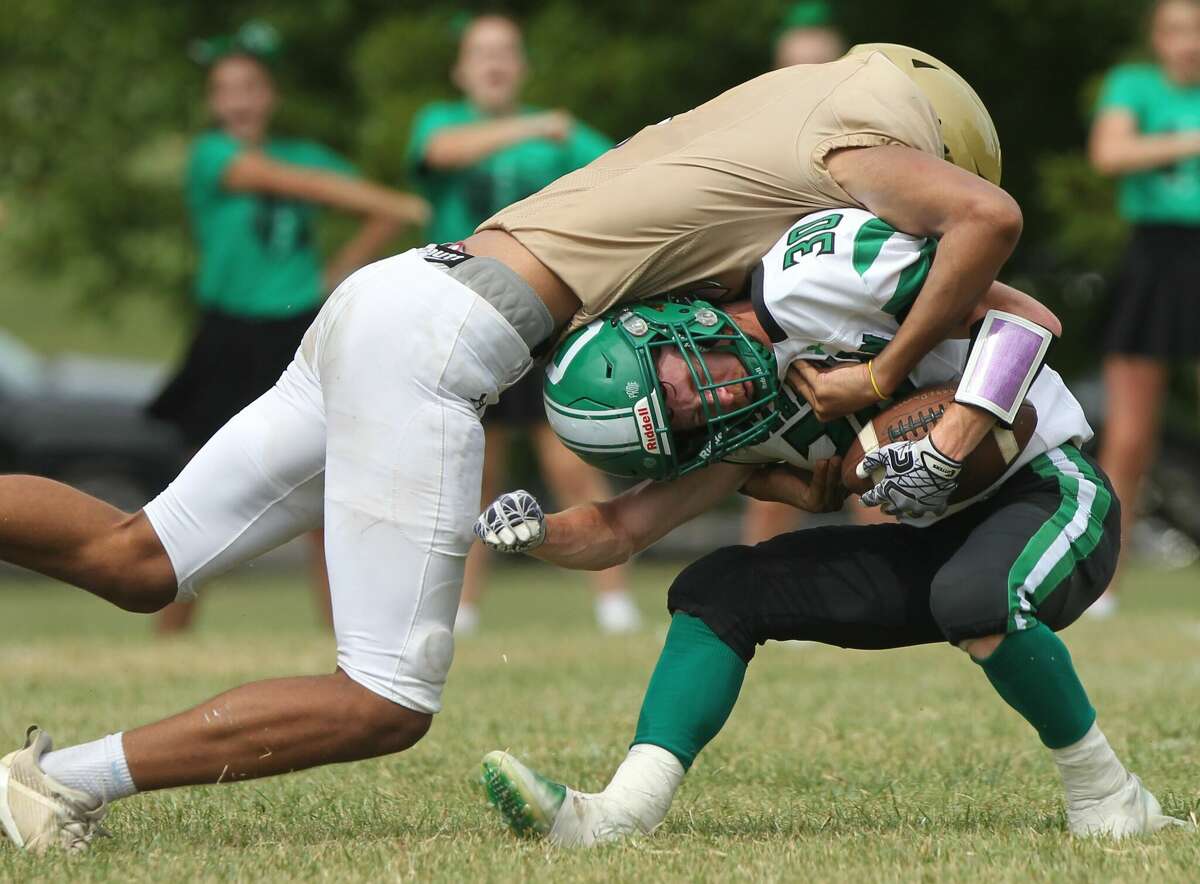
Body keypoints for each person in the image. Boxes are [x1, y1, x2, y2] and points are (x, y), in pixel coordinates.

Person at [0, 43, 1020, 854]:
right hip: (445, 341)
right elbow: (987, 219)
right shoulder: (853, 150)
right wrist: (886, 384)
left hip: (401, 294)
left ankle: (55, 775)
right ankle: (58, 778)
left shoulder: (775, 107)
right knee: (384, 699)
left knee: (139, 560)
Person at [474, 207, 1188, 843]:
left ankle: (1109, 796)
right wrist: (537, 531)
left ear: (665, 327)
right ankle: (621, 812)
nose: (698, 402)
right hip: (934, 541)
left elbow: (1026, 318)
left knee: (974, 596)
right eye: (678, 422)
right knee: (719, 587)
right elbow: (621, 529)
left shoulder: (812, 272)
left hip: (1045, 490)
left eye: (672, 385)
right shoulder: (738, 425)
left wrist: (943, 435)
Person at [150, 22, 429, 633]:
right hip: (227, 332)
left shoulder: (305, 155)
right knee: (199, 480)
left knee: (325, 477)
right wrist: (380, 203)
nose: (240, 100)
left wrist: (333, 275)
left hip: (296, 329)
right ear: (213, 103)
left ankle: (340, 632)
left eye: (251, 86)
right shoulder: (212, 156)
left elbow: (380, 208)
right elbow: (305, 186)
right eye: (227, 90)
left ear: (269, 95)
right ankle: (169, 631)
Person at [405, 14, 639, 635]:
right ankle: (462, 610)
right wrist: (540, 124)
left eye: (505, 52)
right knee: (473, 466)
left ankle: (613, 600)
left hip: (545, 317)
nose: (494, 64)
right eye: (481, 54)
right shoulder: (444, 121)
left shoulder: (566, 137)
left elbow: (632, 166)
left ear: (522, 65)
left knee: (570, 459)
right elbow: (439, 154)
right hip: (461, 317)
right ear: (461, 68)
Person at [1088, 0, 1200, 617]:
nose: (1191, 43)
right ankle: (1104, 586)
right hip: (1153, 264)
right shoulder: (1132, 85)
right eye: (1180, 30)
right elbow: (1110, 154)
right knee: (1130, 438)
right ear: (1159, 37)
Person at [746, 0, 863, 547]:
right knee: (781, 451)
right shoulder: (752, 139)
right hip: (781, 318)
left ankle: (895, 588)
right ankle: (759, 585)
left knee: (877, 458)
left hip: (855, 313)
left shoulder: (866, 140)